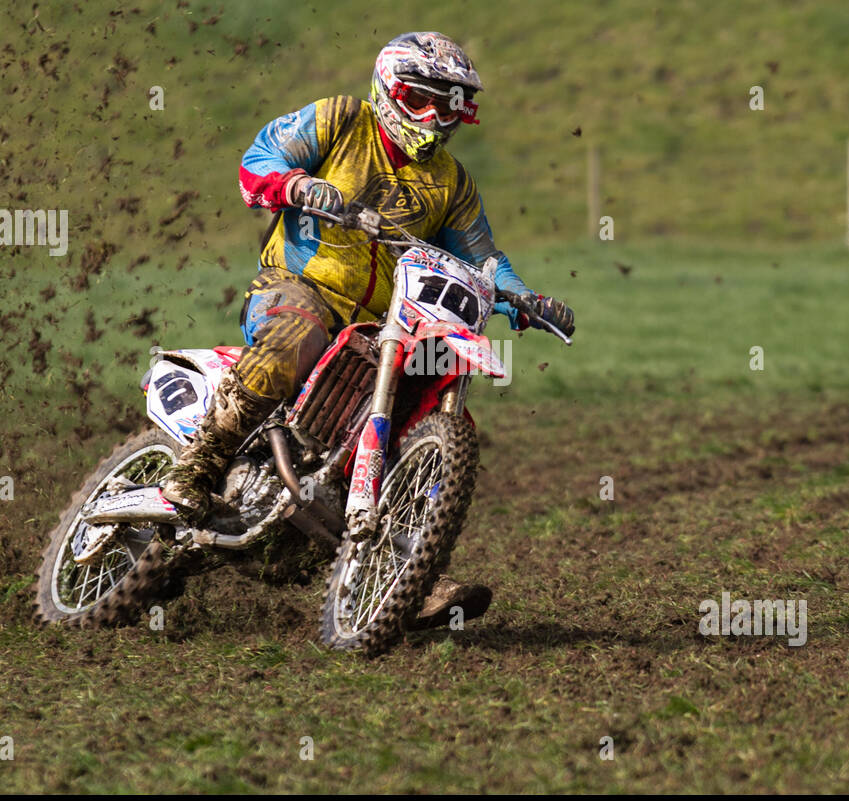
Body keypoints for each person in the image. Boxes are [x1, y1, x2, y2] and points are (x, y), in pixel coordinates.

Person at [162, 31, 575, 625]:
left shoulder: (452, 183)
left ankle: (407, 567)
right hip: (299, 290)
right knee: (294, 341)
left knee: (429, 408)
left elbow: (484, 258)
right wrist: (301, 186)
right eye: (421, 99)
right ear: (390, 90)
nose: (435, 118)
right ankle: (198, 463)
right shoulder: (340, 120)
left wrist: (524, 298)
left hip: (384, 324)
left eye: (450, 105)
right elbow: (258, 161)